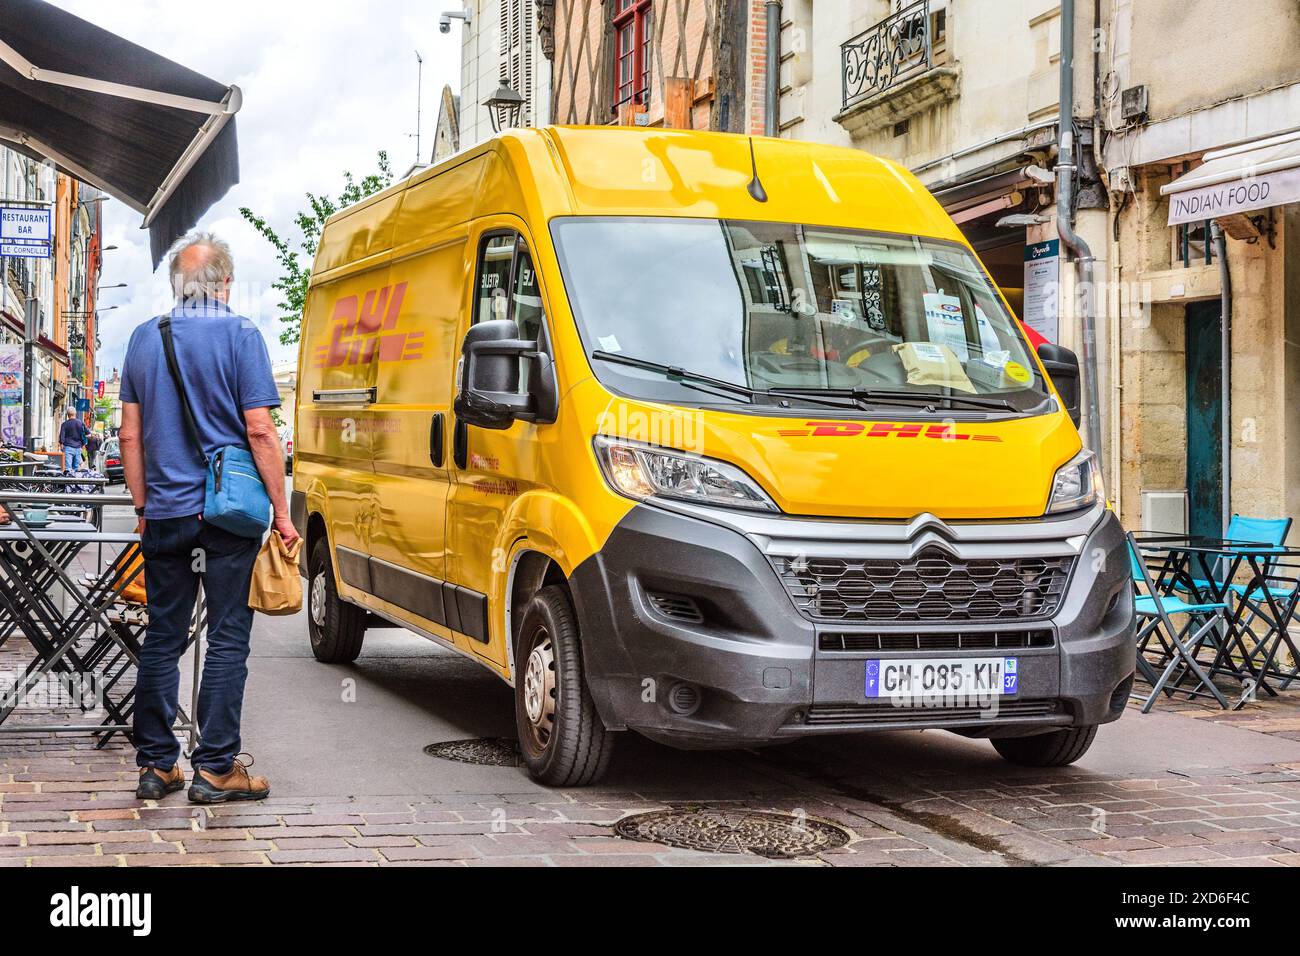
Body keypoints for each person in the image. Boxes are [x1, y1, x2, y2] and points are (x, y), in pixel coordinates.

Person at [119, 232, 300, 804]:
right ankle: (216, 767)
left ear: (178, 284)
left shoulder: (144, 337)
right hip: (227, 517)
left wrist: (143, 508)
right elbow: (260, 431)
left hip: (166, 515)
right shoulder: (242, 335)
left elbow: (129, 436)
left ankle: (157, 766)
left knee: (162, 636)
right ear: (225, 282)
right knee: (226, 639)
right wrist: (283, 514)